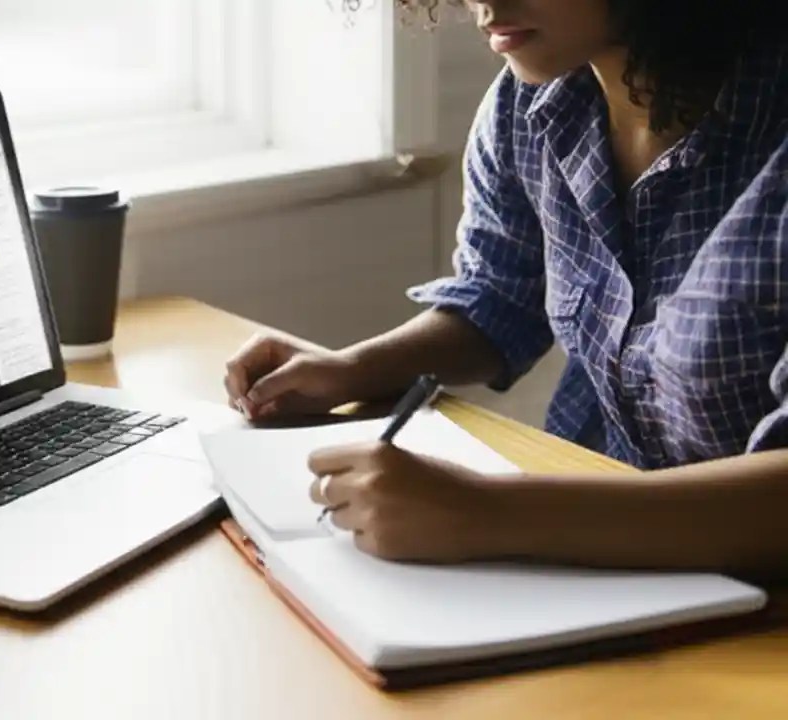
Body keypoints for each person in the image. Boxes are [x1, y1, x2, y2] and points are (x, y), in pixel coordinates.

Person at [223, 0, 788, 575]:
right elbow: (500, 296)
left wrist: (484, 512)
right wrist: (353, 369)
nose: (486, 4)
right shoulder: (530, 104)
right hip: (595, 567)